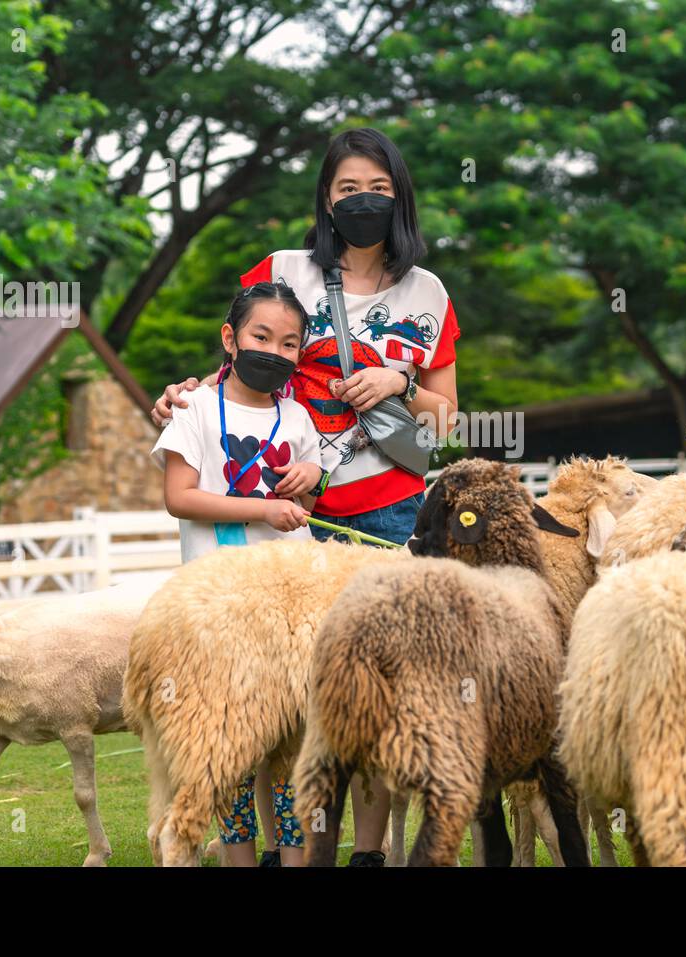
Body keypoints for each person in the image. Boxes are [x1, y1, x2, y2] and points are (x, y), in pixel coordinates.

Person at [150, 127, 461, 866]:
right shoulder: (284, 268)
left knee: (376, 682)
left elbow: (447, 413)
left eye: (378, 190)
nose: (363, 202)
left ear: (400, 197)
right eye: (348, 188)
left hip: (387, 506)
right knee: (294, 690)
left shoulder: (428, 294)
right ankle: (296, 845)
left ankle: (368, 848)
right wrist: (182, 395)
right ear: (325, 196)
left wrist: (401, 383)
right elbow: (246, 351)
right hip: (293, 514)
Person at [151, 280, 330, 866]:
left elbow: (310, 492)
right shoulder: (194, 411)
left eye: (288, 344)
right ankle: (238, 858)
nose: (274, 352)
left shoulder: (300, 418)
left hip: (288, 605)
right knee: (227, 744)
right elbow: (180, 497)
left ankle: (293, 855)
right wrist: (264, 509)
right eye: (261, 337)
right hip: (219, 610)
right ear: (230, 338)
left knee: (288, 739)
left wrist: (310, 475)